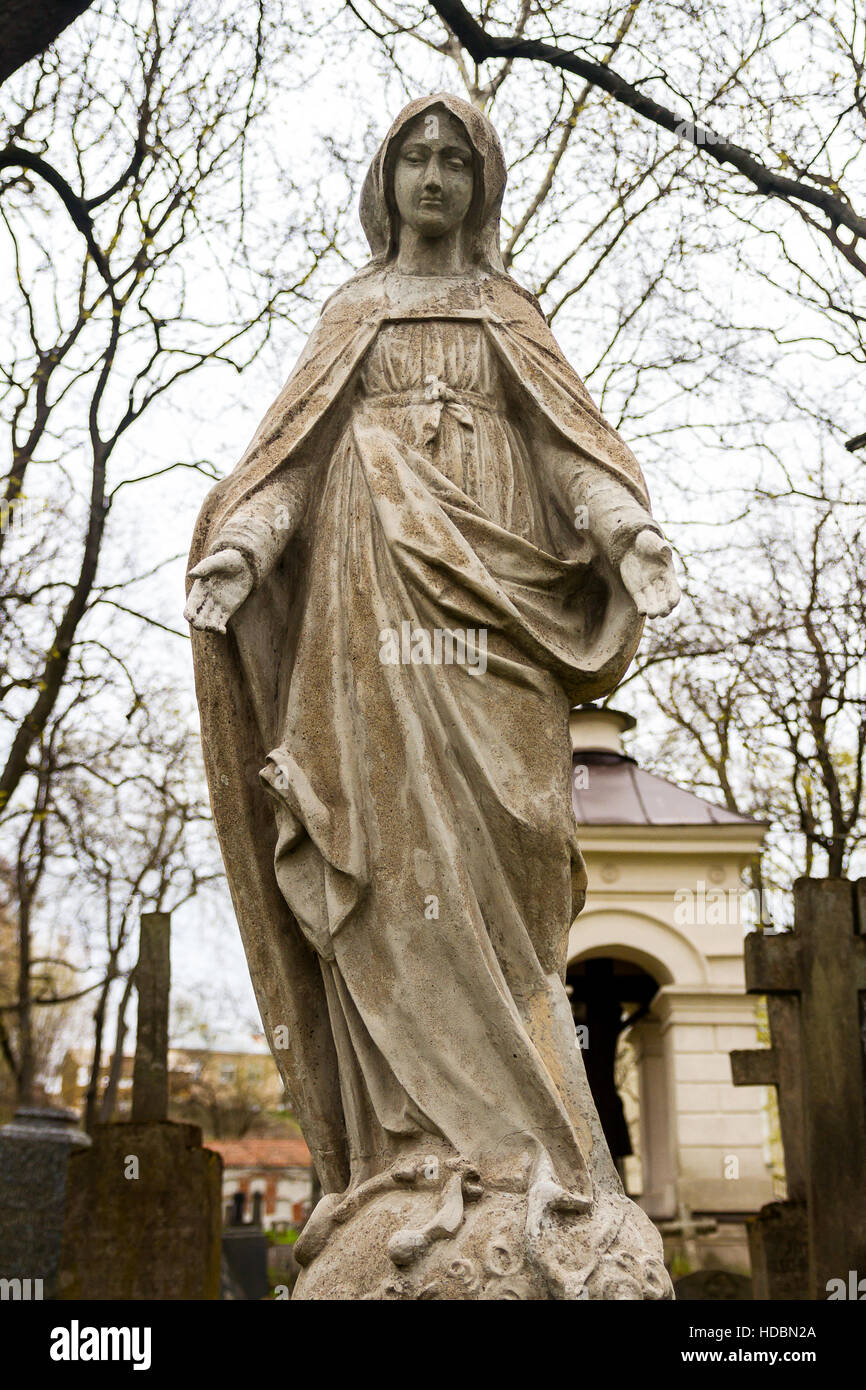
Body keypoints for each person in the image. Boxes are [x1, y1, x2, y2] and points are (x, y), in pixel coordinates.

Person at [185, 94, 678, 1294]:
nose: (435, 176)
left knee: (510, 868)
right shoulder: (350, 314)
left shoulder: (508, 312)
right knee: (394, 868)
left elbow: (569, 448)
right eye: (415, 156)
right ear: (385, 176)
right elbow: (287, 465)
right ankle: (415, 1153)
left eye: (457, 159)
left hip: (494, 623)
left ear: (483, 183)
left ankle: (544, 1163)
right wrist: (243, 548)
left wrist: (623, 527)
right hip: (368, 631)